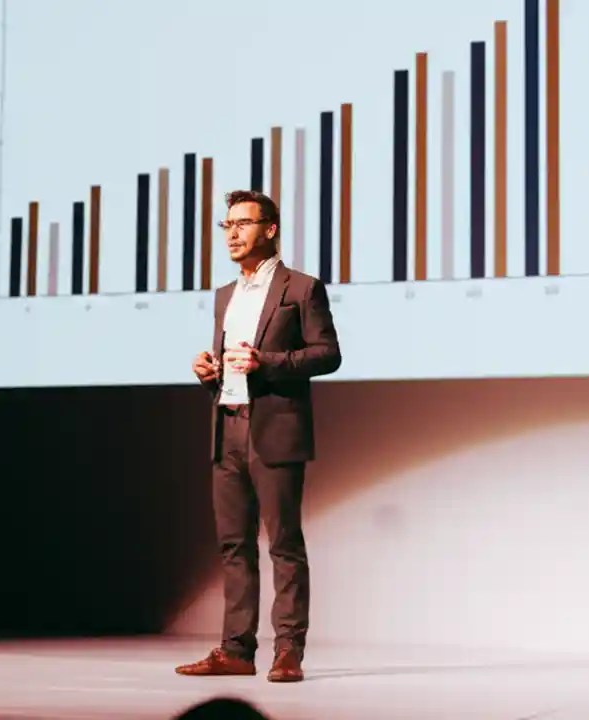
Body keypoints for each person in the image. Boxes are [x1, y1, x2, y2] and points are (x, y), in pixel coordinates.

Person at [175, 190, 342, 683]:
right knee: (233, 545)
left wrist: (265, 363)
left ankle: (288, 650)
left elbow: (328, 354)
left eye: (242, 223)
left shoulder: (301, 288)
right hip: (226, 424)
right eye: (225, 225)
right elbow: (230, 359)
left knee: (283, 543)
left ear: (269, 229)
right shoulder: (225, 294)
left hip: (273, 428)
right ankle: (235, 650)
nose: (231, 233)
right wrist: (209, 369)